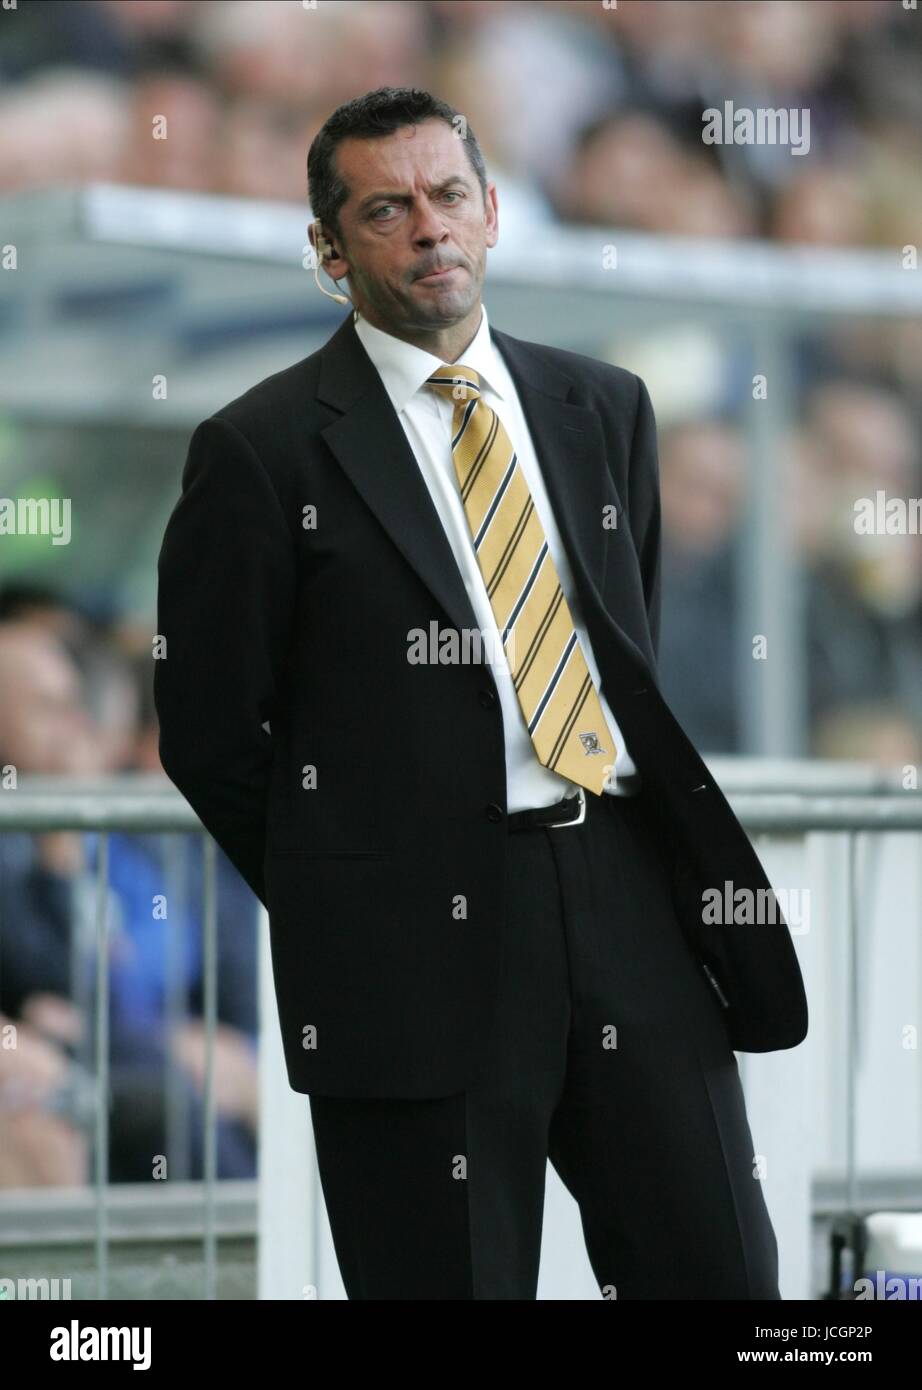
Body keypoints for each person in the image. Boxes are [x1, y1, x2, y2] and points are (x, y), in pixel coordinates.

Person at [154, 86, 807, 1300]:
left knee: (724, 1278)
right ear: (329, 249)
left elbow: (627, 655)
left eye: (449, 196)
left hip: (627, 893)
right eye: (386, 209)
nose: (429, 230)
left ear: (495, 212)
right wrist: (350, 878)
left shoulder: (601, 406)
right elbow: (206, 730)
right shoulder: (262, 448)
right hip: (415, 935)